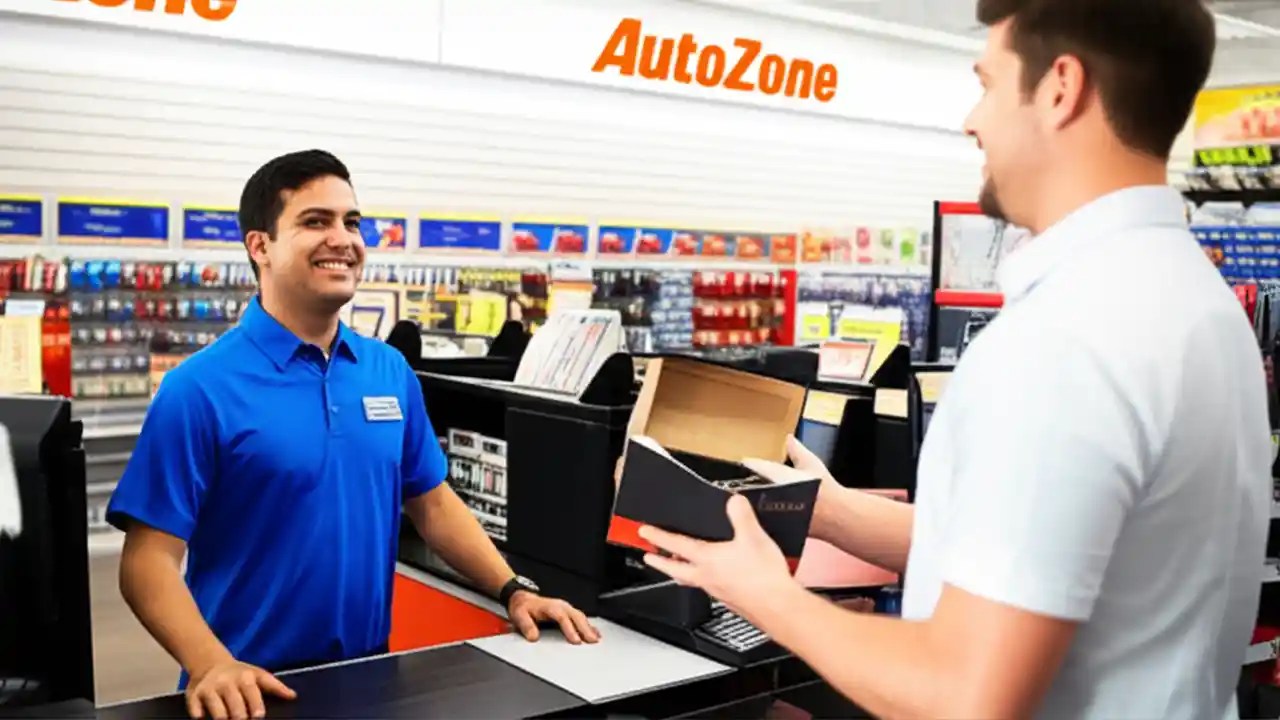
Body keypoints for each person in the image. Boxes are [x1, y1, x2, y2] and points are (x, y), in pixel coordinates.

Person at [638, 1, 1272, 718]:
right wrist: (832, 512)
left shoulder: (1064, 339)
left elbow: (965, 697)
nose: (972, 119)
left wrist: (763, 594)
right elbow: (1037, 558)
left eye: (988, 83)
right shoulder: (1198, 302)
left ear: (1061, 88)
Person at [107, 150, 599, 720]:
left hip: (369, 681)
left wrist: (513, 589)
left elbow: (433, 502)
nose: (342, 238)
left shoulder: (388, 370)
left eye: (352, 222)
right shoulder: (198, 389)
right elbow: (147, 562)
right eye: (315, 221)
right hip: (246, 694)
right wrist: (211, 662)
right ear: (259, 246)